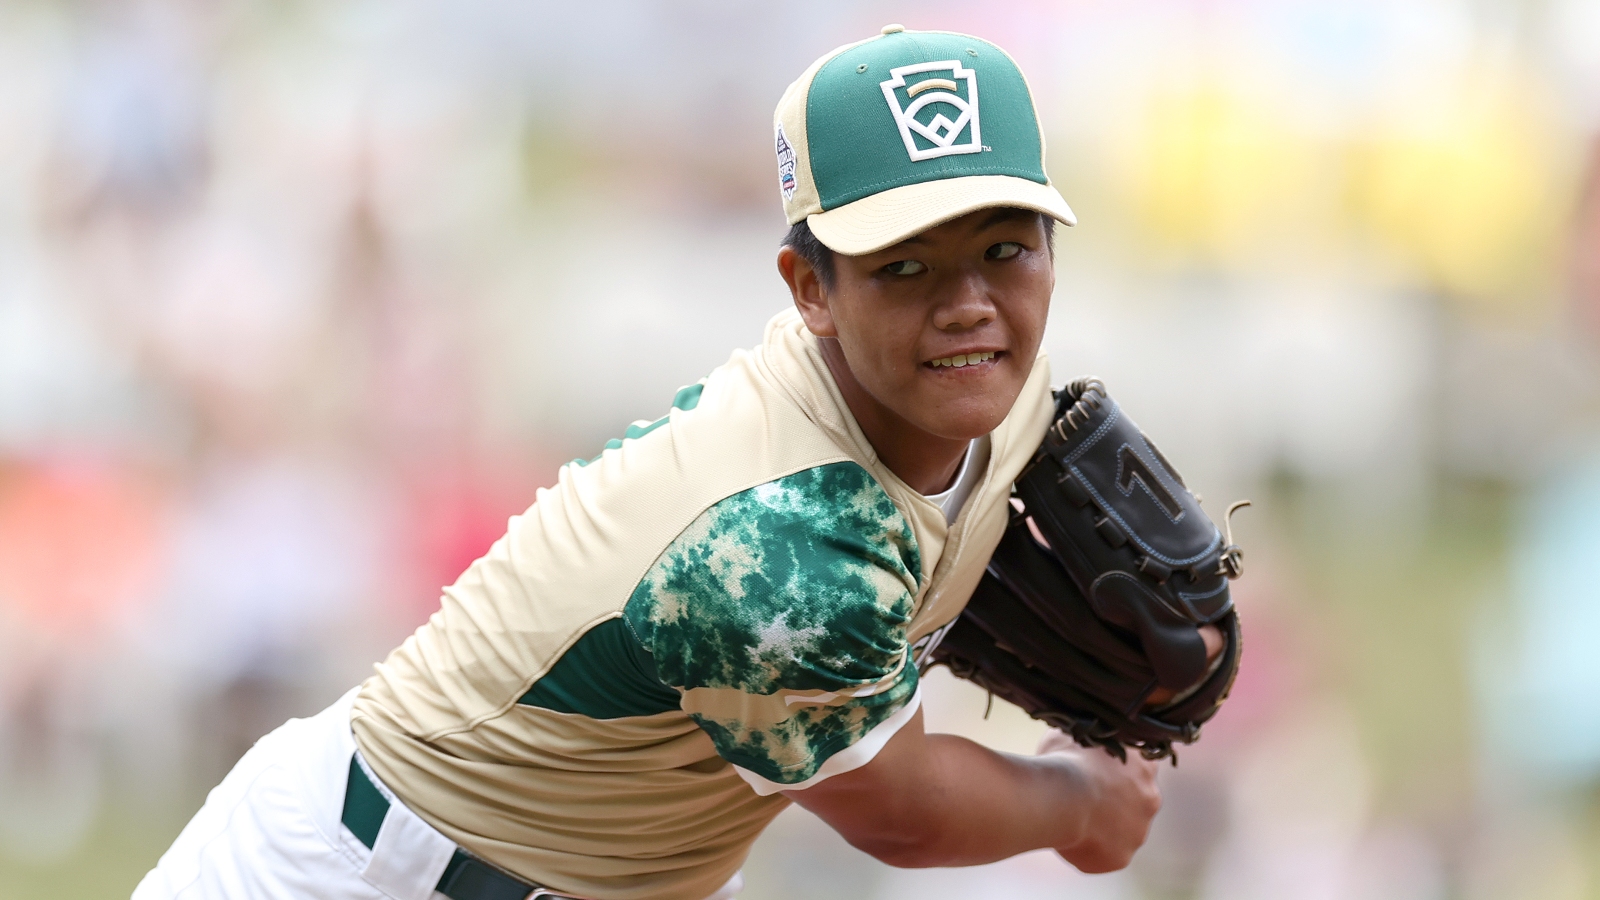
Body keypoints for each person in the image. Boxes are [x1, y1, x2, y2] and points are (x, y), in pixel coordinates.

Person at [135, 24, 1207, 900]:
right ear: (810, 291)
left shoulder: (988, 385)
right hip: (366, 878)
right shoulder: (771, 539)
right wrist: (1078, 800)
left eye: (1004, 247)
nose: (967, 302)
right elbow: (902, 812)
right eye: (905, 263)